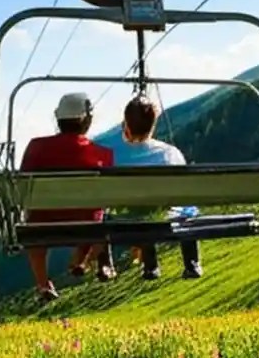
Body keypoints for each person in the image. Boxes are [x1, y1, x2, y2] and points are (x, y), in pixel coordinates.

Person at [19, 92, 116, 301]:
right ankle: (81, 259)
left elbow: (23, 187)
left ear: (58, 119)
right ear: (87, 120)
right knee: (96, 215)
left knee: (35, 223)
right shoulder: (103, 154)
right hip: (87, 223)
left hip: (42, 223)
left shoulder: (36, 147)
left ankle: (44, 283)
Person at [114, 94, 202, 280]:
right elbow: (183, 188)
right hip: (171, 217)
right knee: (187, 208)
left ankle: (151, 267)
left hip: (133, 222)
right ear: (153, 125)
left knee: (142, 211)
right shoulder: (170, 153)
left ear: (126, 126)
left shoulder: (117, 158)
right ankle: (192, 263)